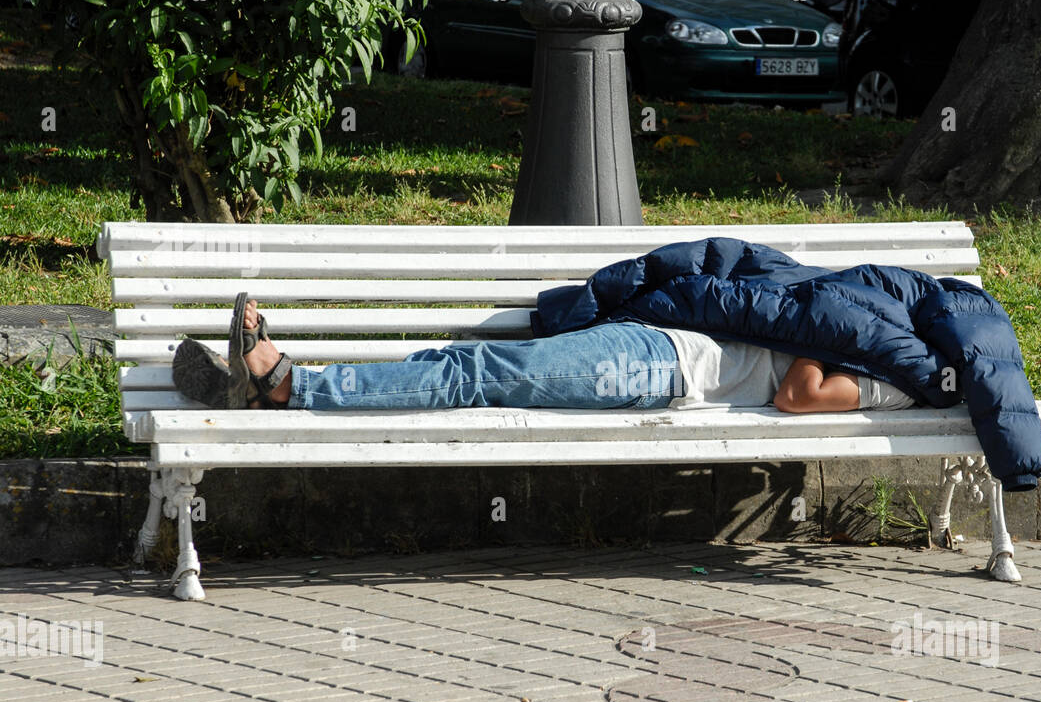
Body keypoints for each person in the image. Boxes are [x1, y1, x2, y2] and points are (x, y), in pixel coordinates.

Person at [173, 297, 918, 414]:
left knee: (480, 374)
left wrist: (845, 341)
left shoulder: (904, 382)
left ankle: (285, 386)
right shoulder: (893, 342)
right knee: (465, 364)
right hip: (653, 344)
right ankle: (260, 382)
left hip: (663, 376)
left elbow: (799, 393)